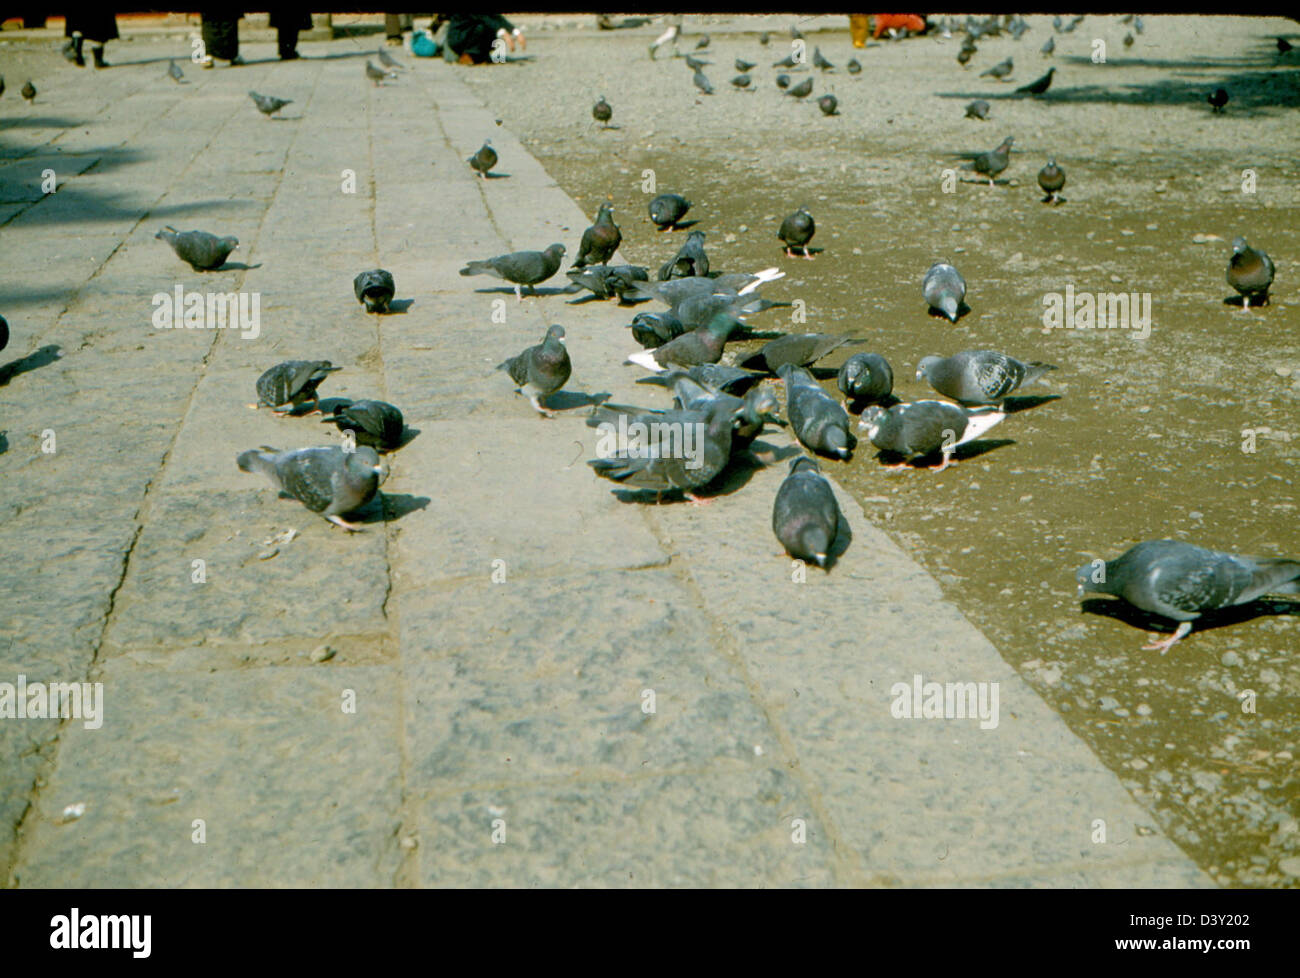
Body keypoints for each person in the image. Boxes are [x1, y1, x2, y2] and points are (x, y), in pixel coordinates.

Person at [444, 14, 524, 65]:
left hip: (470, 33)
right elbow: (484, 17)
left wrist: (516, 32)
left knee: (488, 27)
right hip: (460, 38)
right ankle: (467, 55)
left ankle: (480, 55)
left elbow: (496, 17)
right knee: (482, 27)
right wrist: (503, 33)